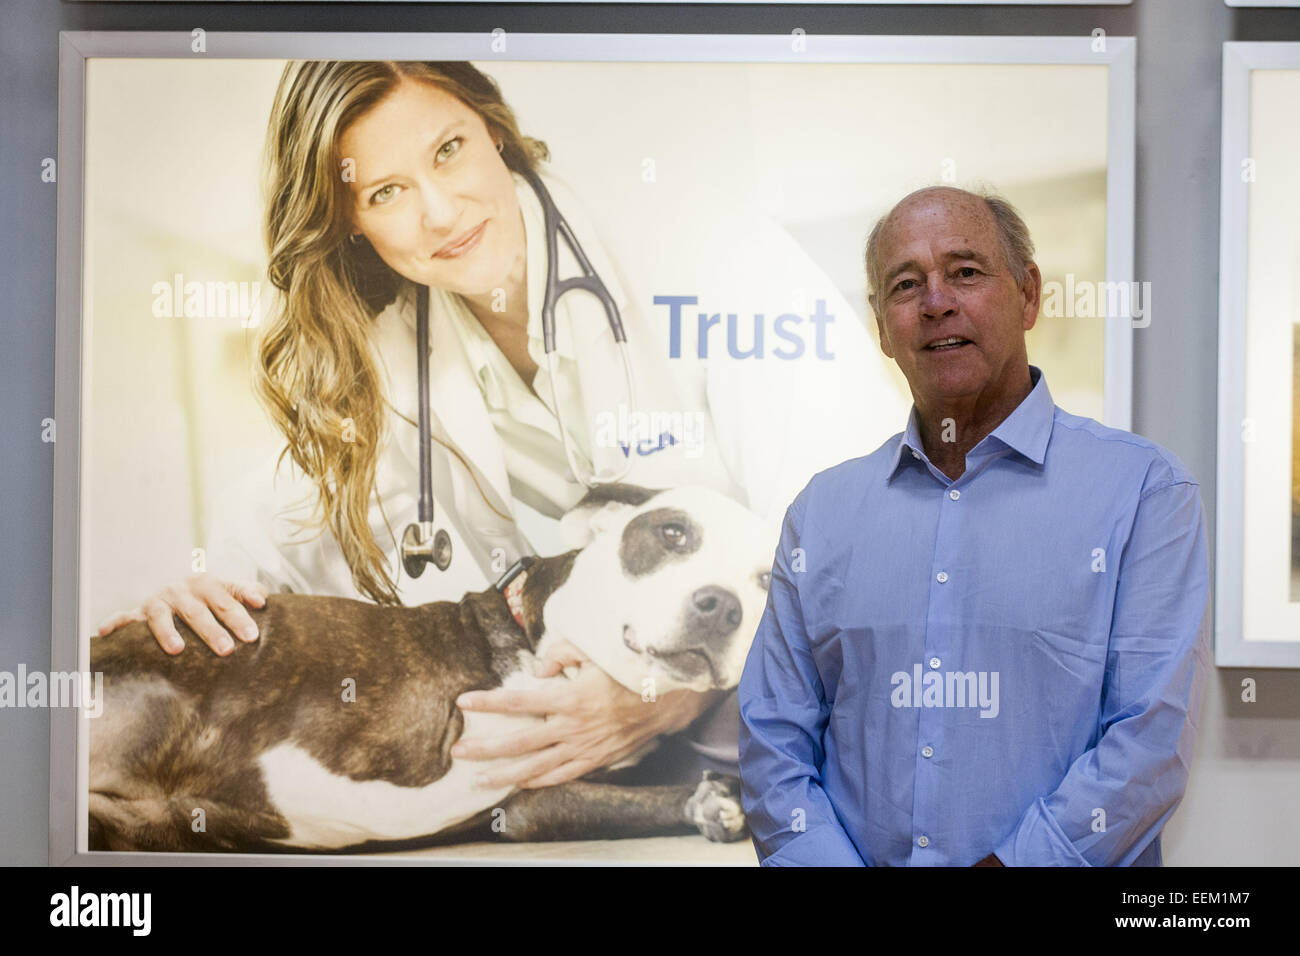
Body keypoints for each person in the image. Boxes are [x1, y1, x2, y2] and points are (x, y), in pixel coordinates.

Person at [93, 60, 907, 794]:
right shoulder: (383, 365)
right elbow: (259, 560)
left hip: (785, 756)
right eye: (385, 192)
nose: (441, 212)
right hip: (567, 794)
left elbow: (866, 546)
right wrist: (191, 599)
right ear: (351, 223)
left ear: (496, 130)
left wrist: (669, 694)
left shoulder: (707, 250)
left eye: (448, 150)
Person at [737, 185, 1211, 866]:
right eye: (907, 284)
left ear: (1028, 295)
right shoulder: (822, 514)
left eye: (965, 272)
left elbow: (1150, 741)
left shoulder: (1144, 493)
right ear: (880, 325)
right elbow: (771, 741)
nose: (937, 303)